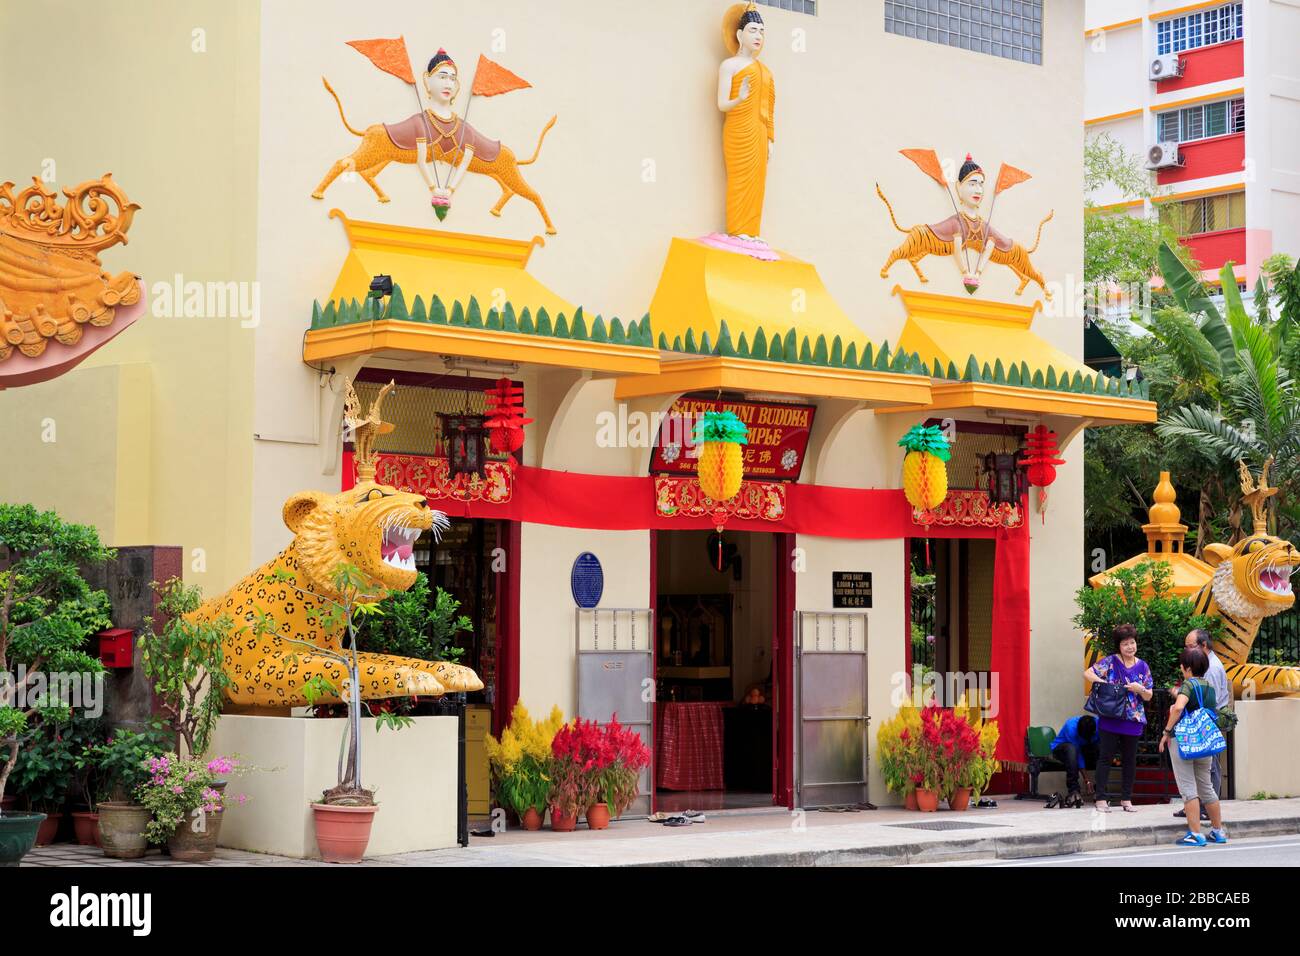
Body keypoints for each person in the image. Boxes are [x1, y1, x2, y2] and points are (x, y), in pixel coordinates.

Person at [1159, 647, 1228, 846]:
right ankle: (1217, 831)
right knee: (1206, 787)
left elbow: (1180, 707)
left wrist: (1166, 732)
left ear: (1186, 667)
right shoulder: (1208, 686)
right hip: (1204, 741)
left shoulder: (1188, 684)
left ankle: (1196, 834)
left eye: (1182, 665)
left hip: (1184, 741)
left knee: (1188, 788)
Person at [718, 3, 775, 238]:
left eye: (761, 31)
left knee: (757, 183)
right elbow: (722, 104)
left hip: (759, 133)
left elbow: (769, 108)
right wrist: (739, 98)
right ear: (739, 34)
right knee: (739, 181)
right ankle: (737, 230)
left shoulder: (766, 71)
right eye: (753, 30)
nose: (758, 36)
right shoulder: (729, 66)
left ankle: (752, 231)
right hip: (738, 131)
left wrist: (770, 139)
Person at [1084, 624, 1153, 812]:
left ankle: (1126, 799)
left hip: (1133, 720)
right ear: (1119, 646)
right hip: (1111, 717)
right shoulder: (1111, 661)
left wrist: (1140, 689)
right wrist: (1106, 684)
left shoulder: (1143, 666)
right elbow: (1088, 673)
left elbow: (1149, 695)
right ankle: (1101, 799)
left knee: (1130, 760)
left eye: (1132, 642)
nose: (1130, 647)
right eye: (1125, 644)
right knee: (1105, 758)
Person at [1173, 628, 1232, 818]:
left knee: (1209, 768)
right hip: (1204, 721)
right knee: (1204, 767)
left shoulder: (1211, 669)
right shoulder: (1206, 665)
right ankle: (1198, 808)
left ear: (1203, 645)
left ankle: (1205, 809)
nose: (1187, 651)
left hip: (1205, 721)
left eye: (1190, 646)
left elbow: (1207, 699)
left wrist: (1180, 695)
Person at [1048, 715, 1099, 805]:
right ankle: (1074, 790)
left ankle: (1100, 790)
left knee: (1100, 748)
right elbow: (1078, 756)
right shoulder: (1070, 727)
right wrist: (1087, 779)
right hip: (1062, 749)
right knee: (1071, 749)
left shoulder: (1098, 725)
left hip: (1083, 749)